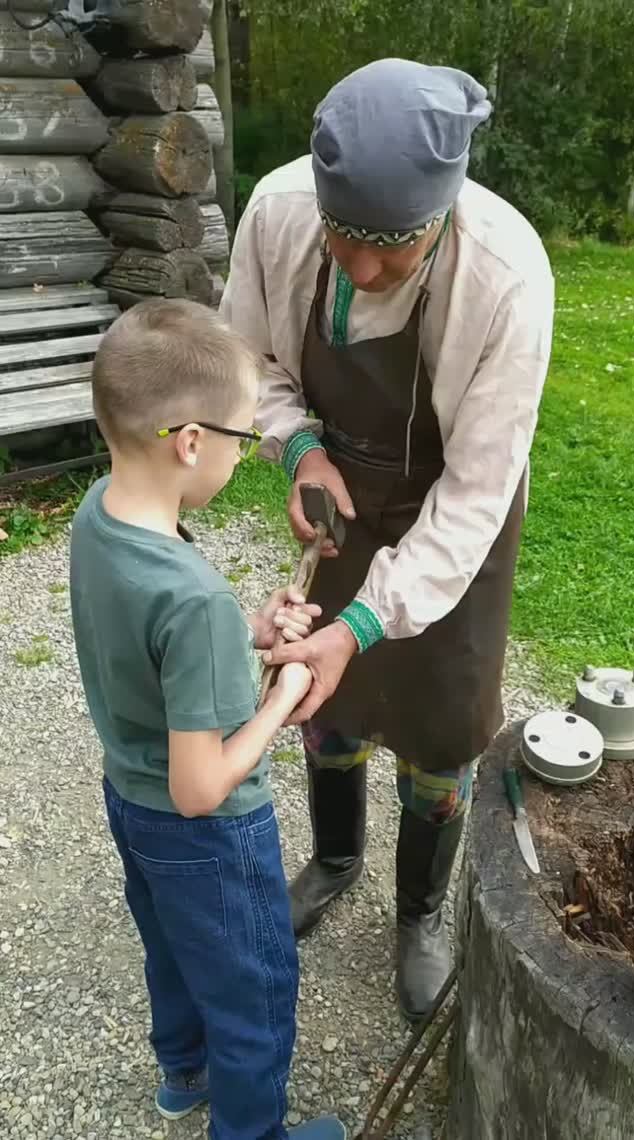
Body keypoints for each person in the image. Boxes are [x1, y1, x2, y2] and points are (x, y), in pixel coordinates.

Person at [220, 59, 555, 1022]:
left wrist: (365, 622)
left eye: (393, 247)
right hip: (342, 494)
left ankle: (419, 912)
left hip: (456, 520)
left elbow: (478, 488)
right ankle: (334, 859)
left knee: (442, 725)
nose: (362, 270)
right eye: (345, 237)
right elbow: (251, 360)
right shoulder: (279, 212)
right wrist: (299, 449)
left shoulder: (505, 274)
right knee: (320, 698)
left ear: (441, 213)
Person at [69, 299, 346, 1140]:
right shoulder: (193, 601)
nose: (243, 450)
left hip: (130, 803)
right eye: (242, 435)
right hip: (209, 836)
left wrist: (247, 633)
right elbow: (200, 788)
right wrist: (283, 696)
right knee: (253, 990)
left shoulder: (97, 514)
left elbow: (152, 644)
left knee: (174, 947)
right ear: (191, 442)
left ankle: (182, 1073)